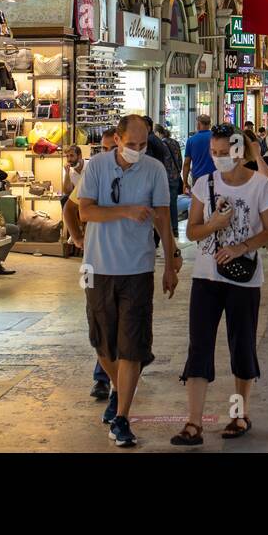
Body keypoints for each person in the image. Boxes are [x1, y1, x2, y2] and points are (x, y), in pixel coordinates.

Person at [76, 115, 180, 448]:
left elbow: (163, 217)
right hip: (99, 268)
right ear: (118, 140)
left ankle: (122, 417)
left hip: (137, 269)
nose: (137, 150)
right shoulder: (96, 167)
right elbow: (85, 212)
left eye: (143, 144)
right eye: (131, 144)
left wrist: (170, 262)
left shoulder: (154, 170)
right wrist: (126, 211)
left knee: (132, 344)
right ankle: (118, 387)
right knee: (103, 343)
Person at [172, 124, 268, 445]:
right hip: (206, 278)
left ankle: (238, 415)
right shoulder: (205, 183)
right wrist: (214, 224)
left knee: (241, 345)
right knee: (199, 346)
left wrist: (241, 247)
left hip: (243, 280)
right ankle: (194, 423)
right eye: (214, 153)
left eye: (226, 152)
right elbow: (191, 231)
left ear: (240, 151)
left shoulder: (260, 185)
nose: (219, 158)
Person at [64, 130, 118, 400]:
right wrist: (77, 237)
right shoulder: (92, 174)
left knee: (122, 323)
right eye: (104, 149)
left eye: (113, 148)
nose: (108, 154)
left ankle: (119, 376)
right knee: (99, 320)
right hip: (94, 262)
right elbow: (71, 209)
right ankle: (104, 377)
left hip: (128, 263)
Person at [182, 114, 214, 191]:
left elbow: (186, 163)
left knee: (199, 200)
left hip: (198, 177)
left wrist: (185, 182)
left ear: (198, 124)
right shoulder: (216, 137)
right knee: (214, 200)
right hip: (215, 176)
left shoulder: (191, 140)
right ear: (209, 125)